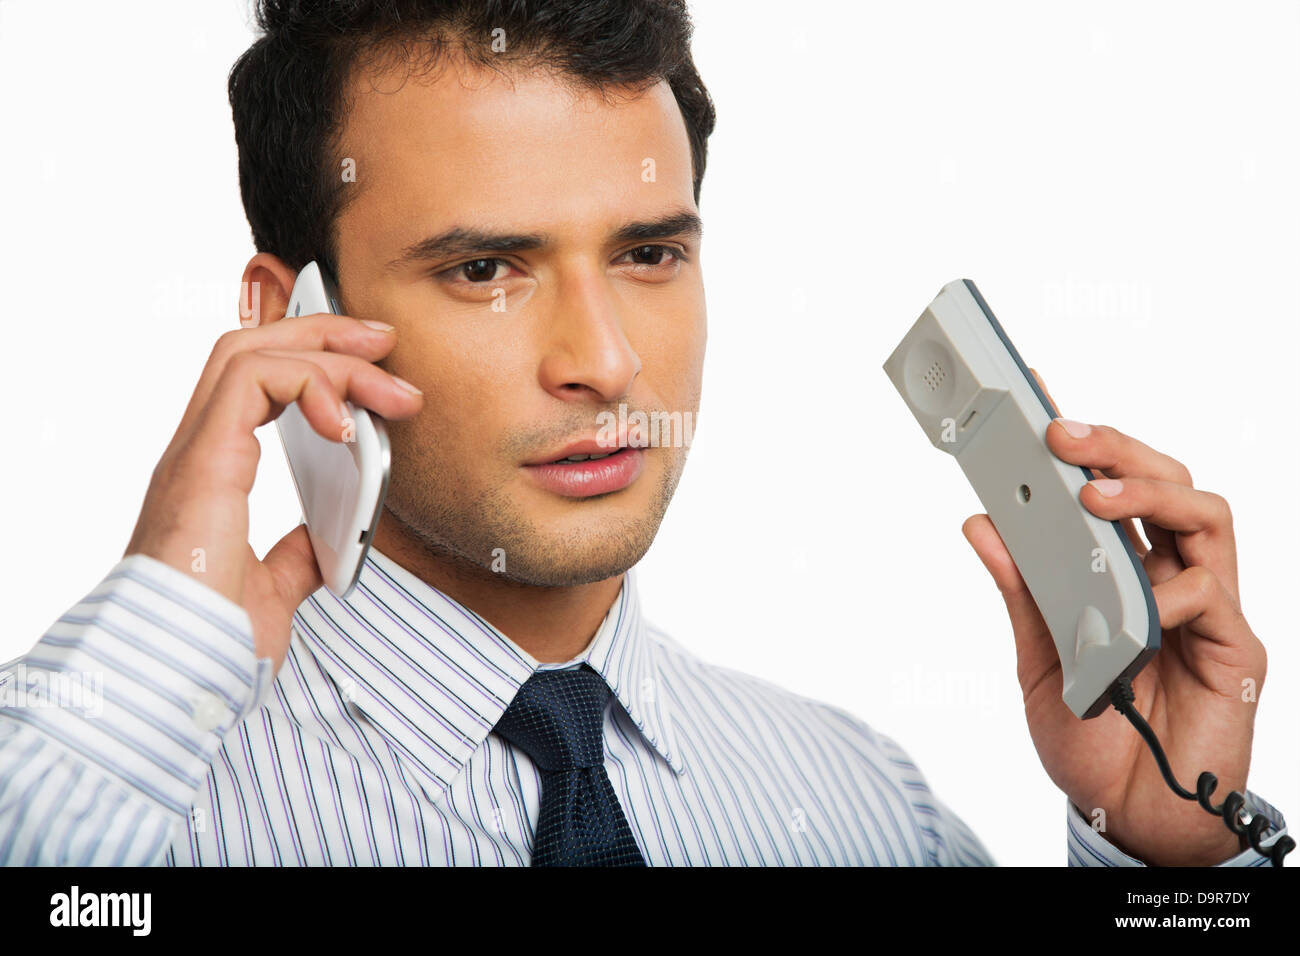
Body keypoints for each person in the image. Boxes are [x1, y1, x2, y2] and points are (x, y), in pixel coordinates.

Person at [0, 0, 1285, 866]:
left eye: (650, 251)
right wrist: (157, 634)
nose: (605, 362)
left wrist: (1165, 848)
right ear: (291, 321)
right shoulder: (117, 799)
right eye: (487, 267)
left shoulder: (860, 805)